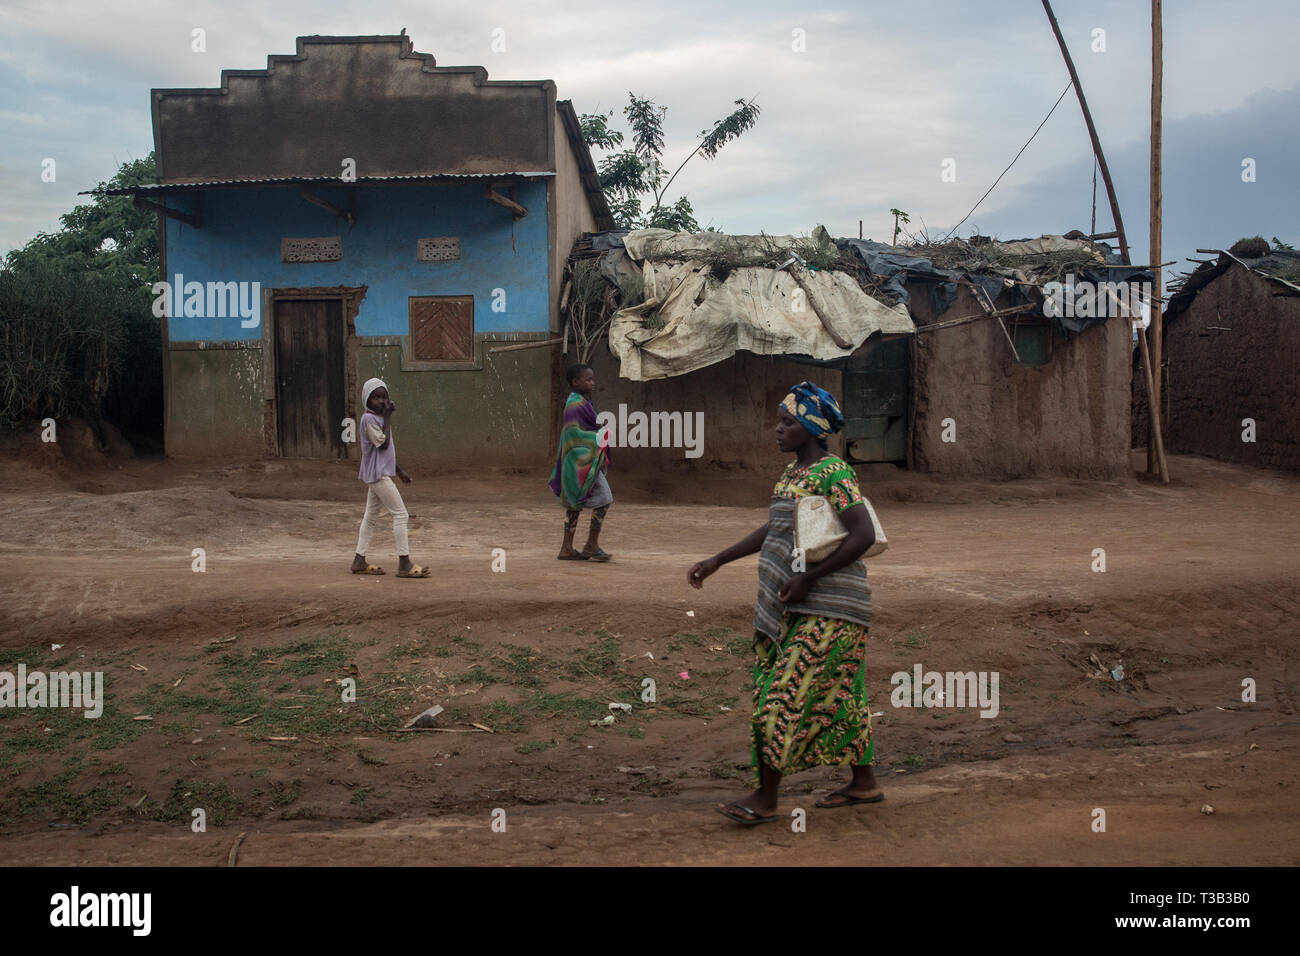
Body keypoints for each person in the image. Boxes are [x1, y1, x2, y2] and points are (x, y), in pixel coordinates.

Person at [687, 381, 881, 825]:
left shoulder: (834, 472)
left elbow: (863, 534)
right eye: (779, 420)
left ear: (812, 429)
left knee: (779, 699)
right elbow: (774, 530)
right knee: (843, 698)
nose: (777, 429)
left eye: (787, 422)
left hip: (834, 609)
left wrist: (809, 578)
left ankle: (766, 798)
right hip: (800, 606)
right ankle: (865, 782)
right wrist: (718, 559)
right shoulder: (791, 476)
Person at [349, 377, 430, 579]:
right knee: (401, 514)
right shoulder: (369, 420)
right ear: (366, 401)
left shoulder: (380, 418)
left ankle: (359, 559)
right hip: (377, 476)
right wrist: (388, 417)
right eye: (375, 398)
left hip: (378, 473)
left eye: (384, 397)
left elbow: (385, 453)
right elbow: (383, 445)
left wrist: (400, 471)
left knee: (371, 516)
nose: (381, 401)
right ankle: (404, 563)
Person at [548, 363, 613, 561]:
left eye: (593, 379)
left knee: (574, 503)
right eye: (588, 379)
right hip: (579, 463)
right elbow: (574, 435)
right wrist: (599, 437)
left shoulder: (580, 401)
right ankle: (591, 545)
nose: (592, 383)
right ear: (575, 382)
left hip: (576, 463)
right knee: (605, 498)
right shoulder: (576, 405)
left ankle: (567, 548)